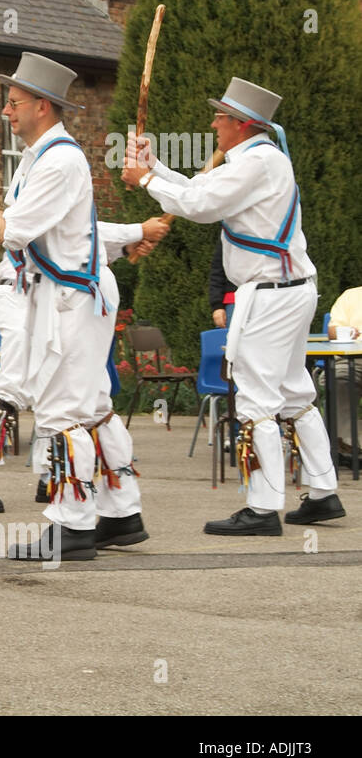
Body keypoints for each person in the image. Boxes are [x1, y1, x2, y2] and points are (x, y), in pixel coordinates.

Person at [0, 52, 149, 561]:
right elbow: (15, 216)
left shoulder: (61, 160)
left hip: (71, 298)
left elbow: (15, 232)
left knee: (64, 413)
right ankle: (122, 513)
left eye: (15, 102)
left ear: (43, 107)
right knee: (91, 407)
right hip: (67, 294)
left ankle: (72, 526)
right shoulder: (41, 157)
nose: (7, 111)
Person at [125, 77, 345, 532]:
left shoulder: (257, 162)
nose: (213, 123)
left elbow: (202, 204)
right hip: (286, 290)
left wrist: (145, 178)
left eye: (220, 116)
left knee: (257, 397)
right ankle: (322, 493)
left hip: (270, 296)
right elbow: (200, 189)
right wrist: (155, 166)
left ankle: (263, 509)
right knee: (293, 391)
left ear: (242, 125)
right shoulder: (257, 159)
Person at [326, 286, 362, 460]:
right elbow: (332, 331)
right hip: (351, 359)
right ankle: (348, 443)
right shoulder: (351, 296)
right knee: (339, 379)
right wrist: (345, 333)